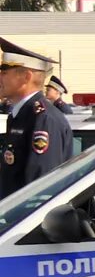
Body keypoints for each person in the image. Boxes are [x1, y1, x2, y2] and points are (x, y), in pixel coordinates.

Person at [0, 42, 71, 193]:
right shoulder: (19, 115)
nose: (0, 77)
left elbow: (41, 187)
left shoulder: (43, 119)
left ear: (26, 77)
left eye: (4, 72)